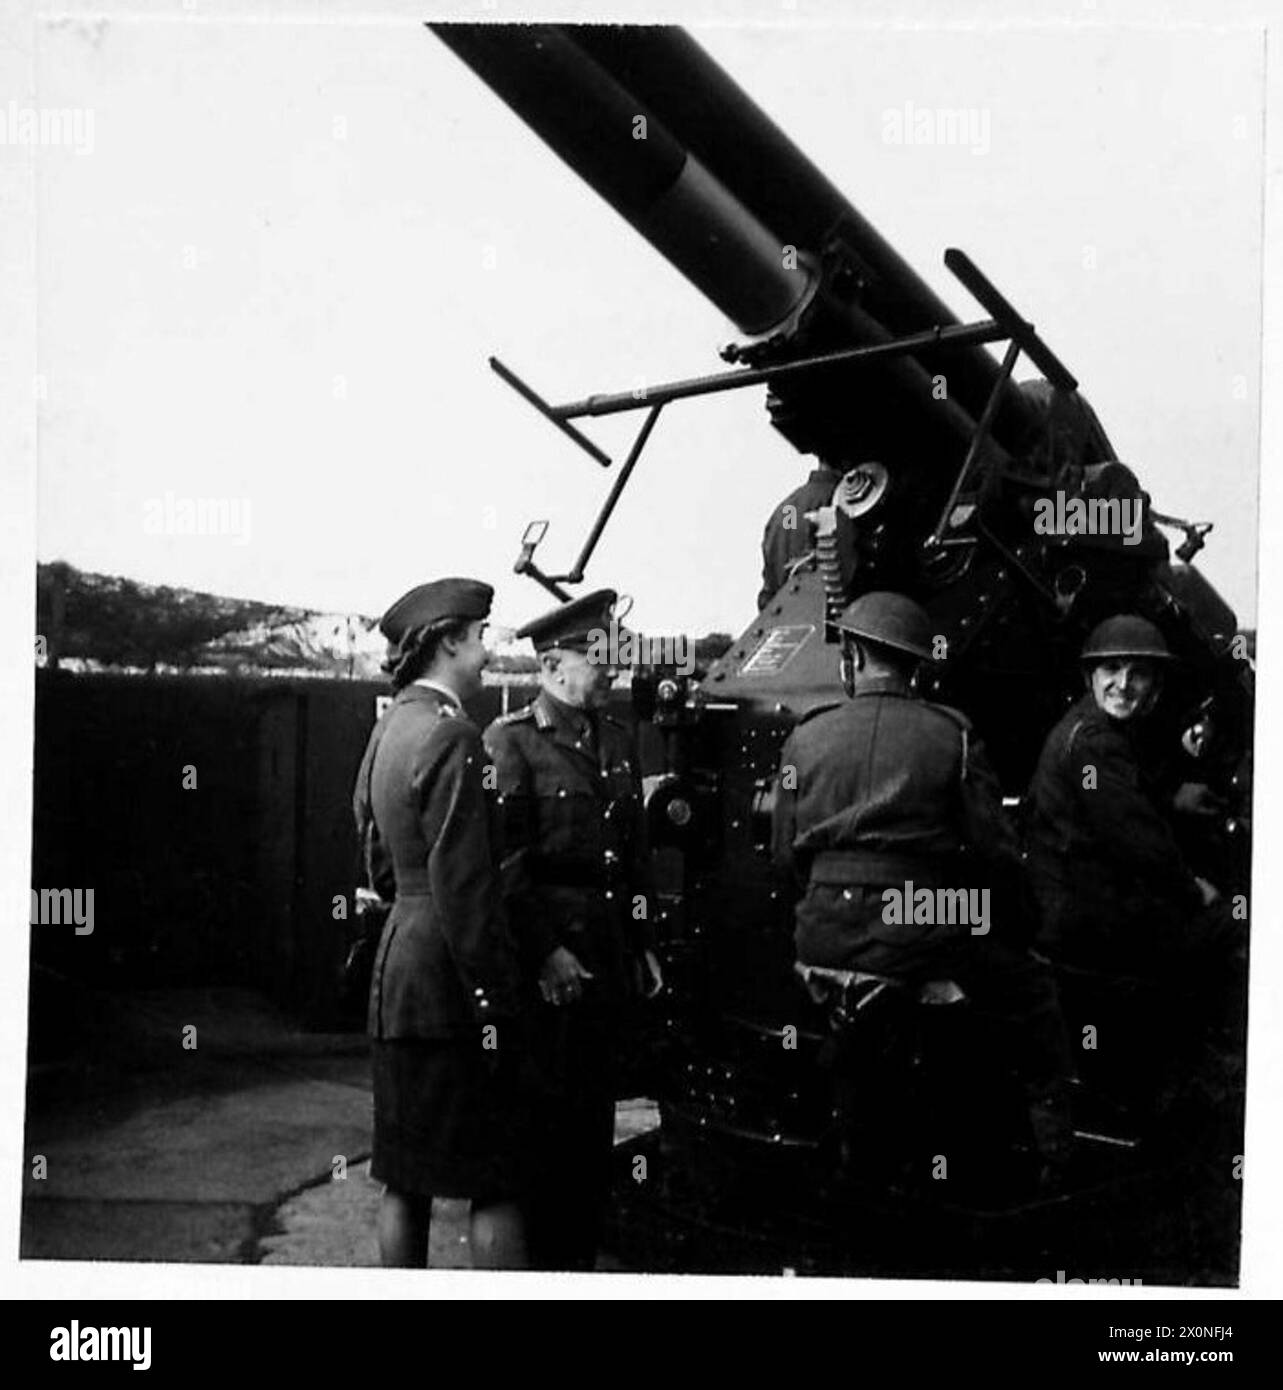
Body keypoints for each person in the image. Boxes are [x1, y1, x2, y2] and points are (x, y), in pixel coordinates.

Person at [772, 590, 1072, 1169]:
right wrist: (1016, 925)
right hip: (917, 917)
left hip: (823, 928)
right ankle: (1052, 1147)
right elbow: (997, 858)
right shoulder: (952, 735)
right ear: (916, 666)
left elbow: (785, 857)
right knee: (1033, 984)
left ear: (852, 659)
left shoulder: (805, 736)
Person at [483, 588, 663, 1270]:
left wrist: (643, 942)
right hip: (552, 971)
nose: (613, 671)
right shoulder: (511, 742)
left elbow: (635, 855)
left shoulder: (617, 740)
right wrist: (545, 952)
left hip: (608, 960)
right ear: (555, 667)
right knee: (543, 1136)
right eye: (600, 660)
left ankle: (578, 1269)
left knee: (593, 1133)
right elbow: (504, 866)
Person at [353, 577, 528, 1269]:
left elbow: (375, 857)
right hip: (453, 982)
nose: (487, 652)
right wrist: (496, 1001)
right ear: (450, 640)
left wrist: (410, 911)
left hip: (398, 974)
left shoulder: (389, 727)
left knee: (406, 1173)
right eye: (481, 637)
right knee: (498, 1177)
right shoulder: (454, 736)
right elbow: (467, 889)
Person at [1023, 614, 1241, 1117]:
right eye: (1111, 670)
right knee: (1231, 924)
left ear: (1156, 684)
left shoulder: (1088, 728)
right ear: (1090, 678)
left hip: (1069, 903)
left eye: (1137, 672)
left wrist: (1171, 796)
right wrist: (1192, 889)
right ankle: (1202, 1067)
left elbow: (1116, 800)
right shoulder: (1095, 746)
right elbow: (1136, 839)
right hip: (1090, 919)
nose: (1123, 684)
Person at [758, 457, 842, 610]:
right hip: (824, 618)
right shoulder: (844, 502)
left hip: (783, 621)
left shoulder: (788, 509)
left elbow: (790, 536)